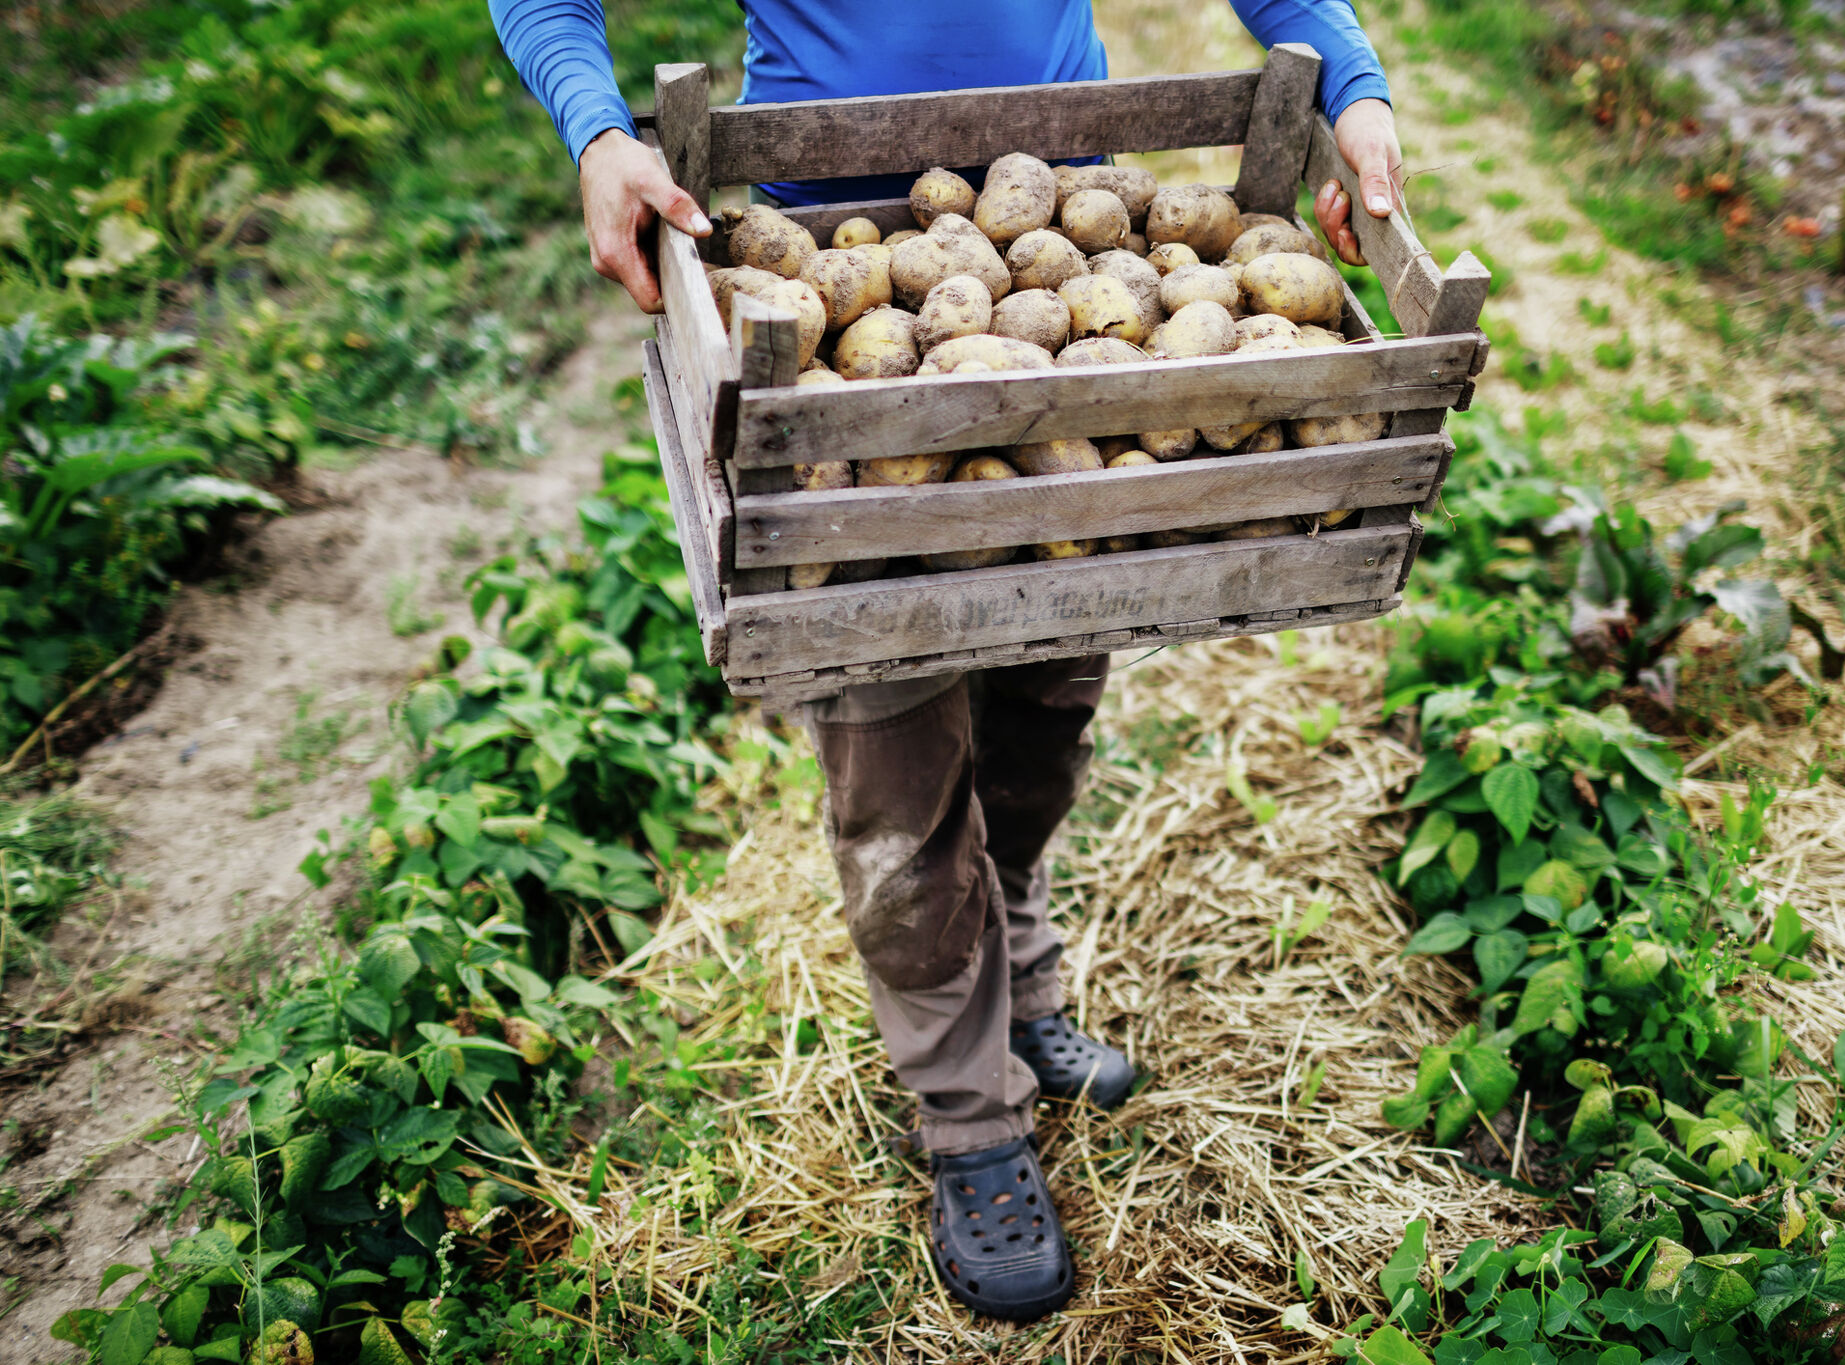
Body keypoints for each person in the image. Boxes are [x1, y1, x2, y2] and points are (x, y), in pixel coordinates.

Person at [490, 0, 1402, 1323]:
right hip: (824, 310)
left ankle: (1018, 969)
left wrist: (1356, 87)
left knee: (1049, 698)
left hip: (1076, 281)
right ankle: (970, 1119)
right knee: (897, 764)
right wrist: (593, 124)